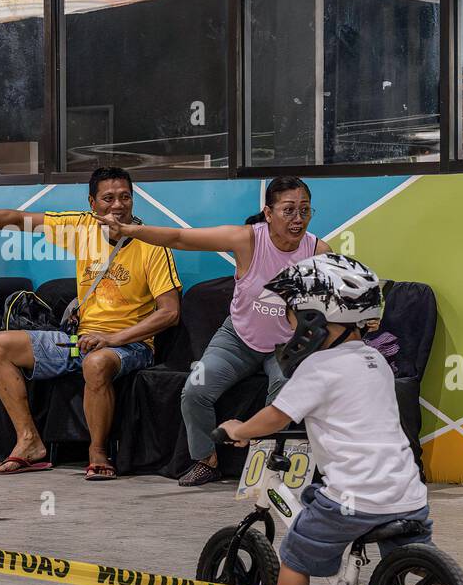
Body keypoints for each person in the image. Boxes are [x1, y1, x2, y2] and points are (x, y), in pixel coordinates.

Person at [215, 255, 432, 585]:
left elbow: (276, 416)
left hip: (357, 498)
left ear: (319, 318)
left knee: (295, 553)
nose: (292, 325)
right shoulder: (376, 361)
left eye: (296, 315)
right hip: (407, 493)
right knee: (401, 549)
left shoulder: (317, 367)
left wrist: (238, 430)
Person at [0, 167, 181, 480]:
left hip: (129, 344)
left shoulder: (153, 244)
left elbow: (169, 312)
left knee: (96, 363)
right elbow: (15, 219)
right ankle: (29, 441)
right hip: (79, 339)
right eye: (108, 198)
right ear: (92, 203)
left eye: (125, 197)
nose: (118, 205)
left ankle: (97, 452)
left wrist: (113, 339)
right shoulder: (80, 227)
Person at [100, 177, 330, 486]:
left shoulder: (318, 250)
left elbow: (332, 303)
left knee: (285, 392)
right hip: (237, 337)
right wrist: (133, 231)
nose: (298, 219)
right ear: (268, 212)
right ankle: (205, 461)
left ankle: (267, 468)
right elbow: (181, 238)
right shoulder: (246, 239)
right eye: (288, 210)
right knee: (194, 390)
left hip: (286, 346)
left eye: (305, 210)